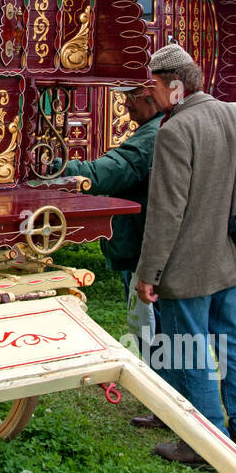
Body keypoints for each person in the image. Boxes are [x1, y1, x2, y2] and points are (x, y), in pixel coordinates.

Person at [135, 44, 236, 466]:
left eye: (153, 85)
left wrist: (148, 272)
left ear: (175, 86)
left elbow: (167, 211)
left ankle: (205, 444)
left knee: (190, 349)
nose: (150, 94)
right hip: (228, 258)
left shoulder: (175, 131)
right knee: (233, 344)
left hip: (187, 267)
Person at [62, 84, 164, 418]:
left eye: (130, 99)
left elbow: (113, 171)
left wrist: (60, 169)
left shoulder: (152, 136)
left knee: (149, 323)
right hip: (153, 243)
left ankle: (165, 399)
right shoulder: (160, 127)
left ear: (151, 95)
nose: (126, 107)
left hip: (145, 246)